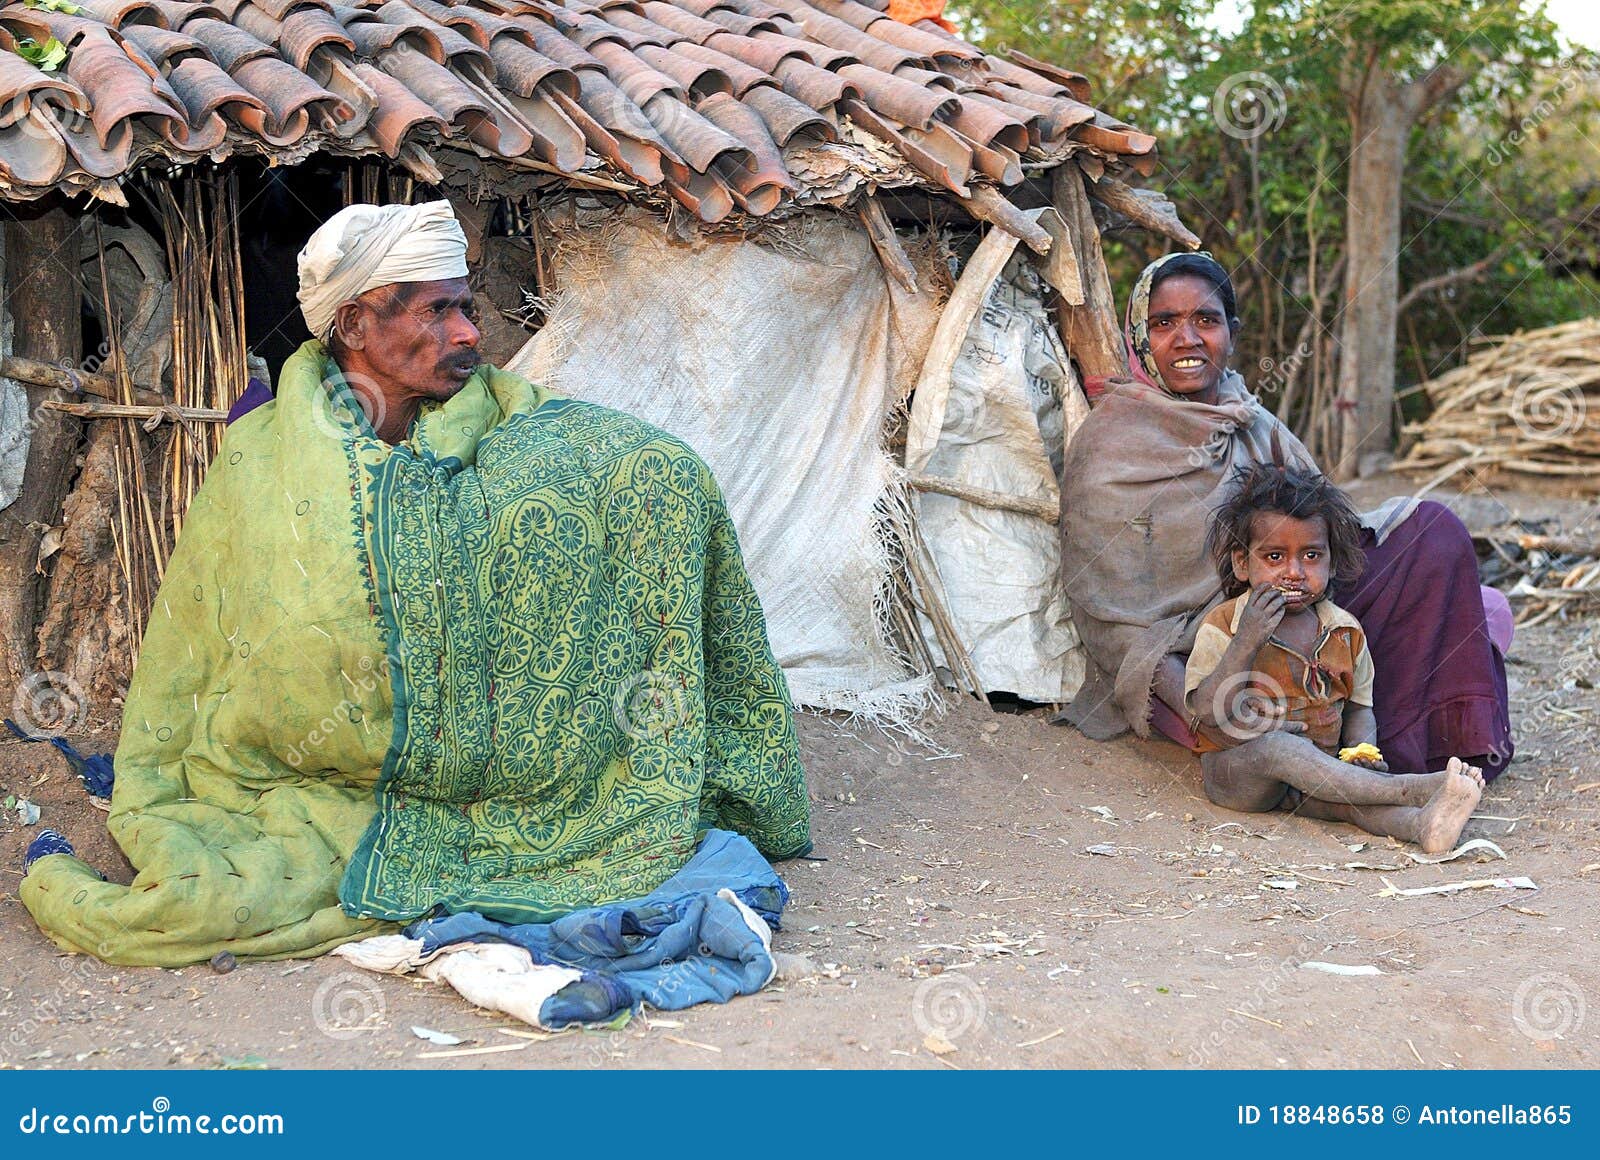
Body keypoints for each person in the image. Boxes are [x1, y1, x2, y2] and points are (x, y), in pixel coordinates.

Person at [21, 200, 811, 966]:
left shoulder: (516, 430)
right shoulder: (264, 461)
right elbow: (215, 642)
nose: (469, 332)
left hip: (520, 782)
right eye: (436, 313)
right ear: (357, 325)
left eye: (465, 307)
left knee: (658, 471)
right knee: (203, 902)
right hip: (322, 776)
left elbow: (621, 472)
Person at [1059, 252, 1513, 788]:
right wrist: (1204, 704)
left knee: (1434, 536)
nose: (1187, 338)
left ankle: (1421, 750)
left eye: (1206, 320)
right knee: (1474, 614)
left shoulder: (1248, 417)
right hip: (1210, 656)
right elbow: (1112, 618)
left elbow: (1330, 529)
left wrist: (1306, 586)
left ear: (1232, 332)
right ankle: (1353, 763)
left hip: (1304, 613)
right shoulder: (1108, 445)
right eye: (1165, 323)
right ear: (1140, 335)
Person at [1183, 463, 1484, 852]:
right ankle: (1411, 788)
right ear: (1243, 564)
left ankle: (1423, 825)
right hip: (1239, 773)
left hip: (1317, 773)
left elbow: (1359, 709)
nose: (1293, 572)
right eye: (1274, 557)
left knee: (1349, 804)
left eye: (1311, 555)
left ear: (1332, 561)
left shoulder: (1345, 631)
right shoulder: (1224, 625)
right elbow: (1206, 712)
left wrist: (1361, 751)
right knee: (1280, 747)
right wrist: (1247, 640)